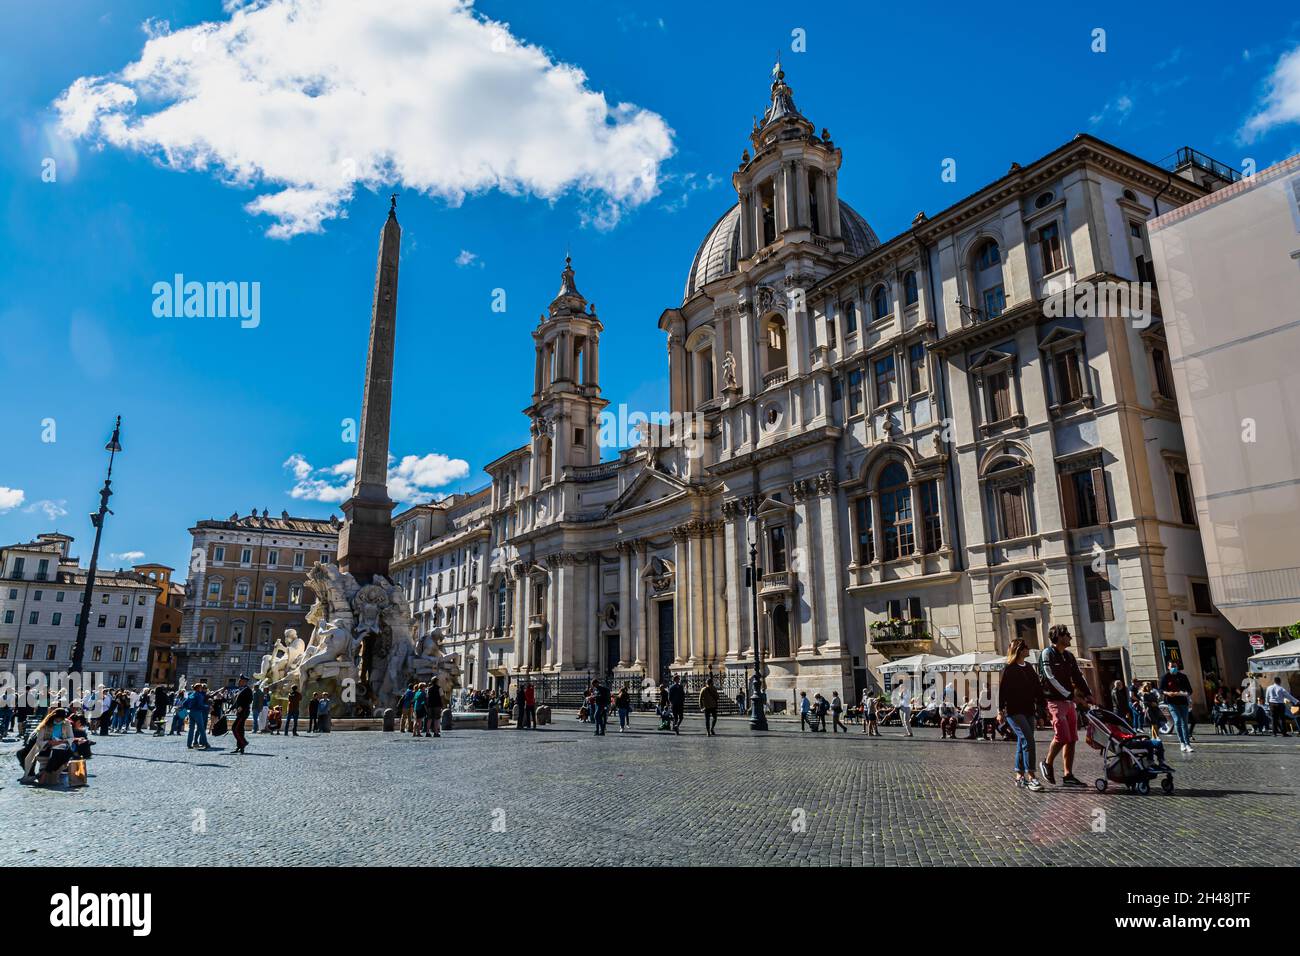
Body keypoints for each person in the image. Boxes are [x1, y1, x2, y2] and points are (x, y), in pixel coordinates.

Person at [1038, 624, 1093, 788]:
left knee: (1072, 739)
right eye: (1067, 634)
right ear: (1059, 637)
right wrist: (1070, 695)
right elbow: (1050, 678)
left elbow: (1077, 676)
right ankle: (1047, 763)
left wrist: (1088, 693)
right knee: (1062, 735)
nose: (1070, 637)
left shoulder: (1069, 656)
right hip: (1054, 700)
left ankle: (1068, 774)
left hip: (1069, 702)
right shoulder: (1047, 653)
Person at [999, 638, 1046, 791]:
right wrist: (1000, 710)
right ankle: (1031, 776)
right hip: (1014, 711)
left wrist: (1041, 709)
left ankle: (1019, 775)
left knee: (1022, 741)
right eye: (1026, 647)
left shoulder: (1029, 668)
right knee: (1029, 740)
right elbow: (1002, 691)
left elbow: (1037, 689)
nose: (1029, 649)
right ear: (1019, 650)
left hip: (1028, 710)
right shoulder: (1009, 668)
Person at [21, 707, 75, 784]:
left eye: (60, 720)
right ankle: (45, 774)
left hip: (62, 745)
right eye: (57, 719)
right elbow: (39, 741)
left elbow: (71, 737)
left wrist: (61, 742)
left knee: (67, 752)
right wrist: (49, 742)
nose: (58, 721)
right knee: (59, 753)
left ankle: (44, 774)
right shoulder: (45, 725)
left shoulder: (66, 723)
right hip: (47, 747)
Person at [1159, 661, 1195, 752]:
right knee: (1177, 721)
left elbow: (1190, 690)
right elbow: (1161, 690)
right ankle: (1182, 743)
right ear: (1168, 667)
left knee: (1185, 723)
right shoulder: (1165, 677)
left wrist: (1184, 694)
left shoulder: (1183, 677)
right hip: (1172, 702)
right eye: (1172, 666)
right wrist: (1167, 693)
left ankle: (1188, 744)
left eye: (1175, 666)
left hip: (1183, 702)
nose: (1174, 668)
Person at [231, 675, 254, 755]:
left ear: (244, 682)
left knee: (235, 728)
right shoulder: (240, 690)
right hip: (240, 712)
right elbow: (237, 701)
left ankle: (243, 742)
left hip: (244, 712)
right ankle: (240, 746)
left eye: (240, 681)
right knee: (240, 729)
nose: (238, 682)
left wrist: (241, 707)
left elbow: (250, 700)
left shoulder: (248, 690)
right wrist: (231, 708)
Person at [186, 683, 210, 749]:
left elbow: (185, 703)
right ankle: (205, 743)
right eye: (201, 688)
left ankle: (189, 744)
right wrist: (207, 707)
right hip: (197, 712)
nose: (201, 689)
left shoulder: (191, 694)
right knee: (202, 729)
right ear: (198, 688)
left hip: (191, 712)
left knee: (191, 729)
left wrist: (188, 708)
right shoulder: (199, 695)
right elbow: (200, 705)